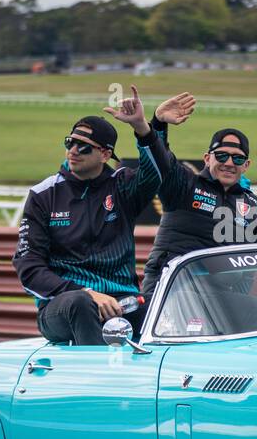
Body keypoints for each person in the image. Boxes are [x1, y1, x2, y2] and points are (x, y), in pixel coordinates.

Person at [12, 86, 189, 345]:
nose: (73, 150)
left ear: (105, 155)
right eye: (70, 142)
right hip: (63, 304)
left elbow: (160, 172)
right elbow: (28, 268)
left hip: (123, 302)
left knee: (168, 308)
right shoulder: (43, 194)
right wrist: (86, 292)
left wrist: (143, 126)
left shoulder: (123, 185)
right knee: (81, 304)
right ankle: (95, 381)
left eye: (84, 147)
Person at [139, 122, 257, 299]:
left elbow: (249, 270)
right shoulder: (185, 184)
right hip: (170, 292)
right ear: (207, 159)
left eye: (237, 159)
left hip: (220, 302)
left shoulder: (256, 208)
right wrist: (158, 124)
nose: (229, 163)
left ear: (246, 165)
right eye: (222, 156)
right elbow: (160, 159)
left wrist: (236, 305)